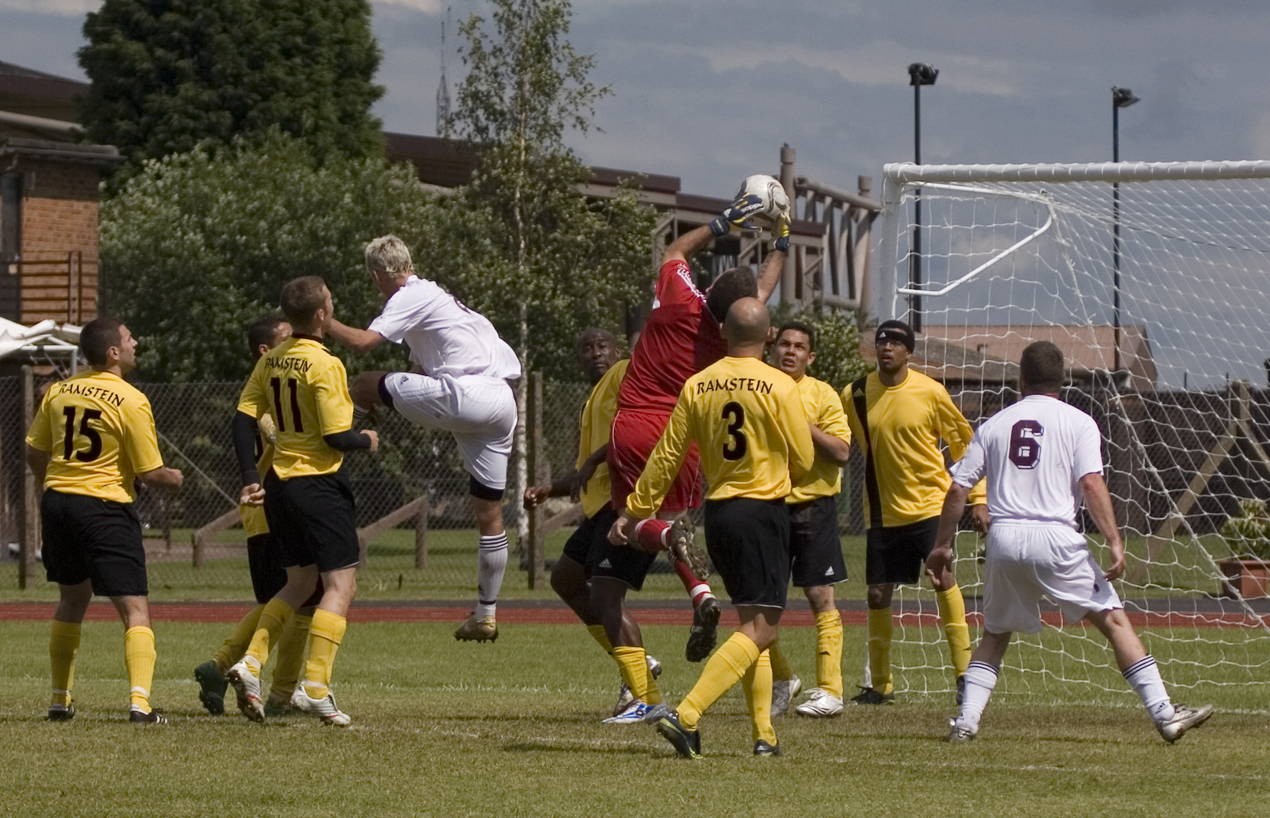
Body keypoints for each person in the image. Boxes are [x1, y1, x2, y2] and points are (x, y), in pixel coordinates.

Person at [928, 341, 1213, 743]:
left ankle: (966, 724)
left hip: (1004, 538)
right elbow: (1091, 483)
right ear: (1061, 380)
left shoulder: (994, 424)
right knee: (1114, 621)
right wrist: (1114, 540)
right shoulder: (1079, 422)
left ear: (1021, 378)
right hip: (1056, 537)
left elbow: (958, 489)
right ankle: (1165, 714)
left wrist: (942, 546)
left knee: (995, 634)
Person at [612, 298, 815, 758]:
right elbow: (803, 459)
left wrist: (634, 510)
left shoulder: (698, 384)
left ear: (723, 332)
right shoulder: (780, 385)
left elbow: (666, 456)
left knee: (751, 627)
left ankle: (765, 736)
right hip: (762, 511)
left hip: (719, 514)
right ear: (768, 336)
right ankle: (687, 716)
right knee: (761, 630)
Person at [607, 188, 790, 682]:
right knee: (672, 518)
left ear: (709, 291)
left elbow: (675, 252)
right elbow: (761, 300)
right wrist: (782, 240)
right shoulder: (732, 335)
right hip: (684, 436)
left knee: (630, 523)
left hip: (636, 421)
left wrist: (724, 221)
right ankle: (701, 595)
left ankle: (669, 537)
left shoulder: (679, 297)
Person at [326, 235, 519, 643]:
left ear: (377, 274)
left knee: (360, 383)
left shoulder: (409, 296)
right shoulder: (443, 301)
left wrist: (322, 322)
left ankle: (341, 451)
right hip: (500, 404)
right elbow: (418, 369)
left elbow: (362, 344)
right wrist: (393, 395)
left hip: (466, 396)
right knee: (489, 515)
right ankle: (486, 614)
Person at [227, 276, 378, 726]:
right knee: (340, 586)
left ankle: (250, 663)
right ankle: (314, 686)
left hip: (279, 486)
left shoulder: (271, 359)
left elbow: (242, 418)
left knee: (295, 584)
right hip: (318, 484)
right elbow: (335, 436)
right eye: (331, 302)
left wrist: (250, 476)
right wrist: (365, 439)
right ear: (321, 315)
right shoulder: (325, 364)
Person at [25, 317, 184, 723]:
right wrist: (175, 478)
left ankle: (60, 701)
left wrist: (53, 485)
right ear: (113, 352)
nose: (135, 343)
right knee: (134, 609)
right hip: (104, 507)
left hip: (59, 503)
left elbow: (34, 450)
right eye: (130, 339)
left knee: (71, 599)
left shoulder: (58, 392)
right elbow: (150, 473)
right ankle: (139, 704)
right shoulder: (131, 399)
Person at [842, 319, 986, 705]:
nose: (886, 347)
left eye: (895, 342)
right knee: (876, 594)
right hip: (881, 514)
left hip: (929, 509)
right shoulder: (854, 394)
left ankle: (964, 675)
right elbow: (848, 442)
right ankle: (880, 685)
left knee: (942, 580)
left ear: (909, 352)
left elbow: (965, 443)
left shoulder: (931, 391)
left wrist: (979, 497)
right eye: (881, 341)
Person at [523, 328, 660, 723]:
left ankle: (645, 696)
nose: (595, 353)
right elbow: (586, 470)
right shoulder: (591, 401)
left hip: (625, 502)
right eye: (586, 348)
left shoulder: (622, 373)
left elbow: (635, 430)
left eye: (602, 346)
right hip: (600, 505)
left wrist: (596, 464)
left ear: (617, 350)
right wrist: (550, 488)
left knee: (606, 598)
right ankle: (636, 663)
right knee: (565, 578)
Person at [194, 315, 323, 717]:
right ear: (266, 351)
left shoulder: (257, 394)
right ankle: (263, 684)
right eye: (287, 339)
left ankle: (223, 670)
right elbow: (281, 432)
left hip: (265, 510)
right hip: (273, 510)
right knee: (300, 598)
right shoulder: (270, 397)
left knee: (290, 599)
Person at [766, 321, 852, 717]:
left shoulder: (822, 394)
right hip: (765, 504)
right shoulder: (758, 387)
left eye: (799, 347)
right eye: (784, 343)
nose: (790, 351)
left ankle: (831, 691)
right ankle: (782, 678)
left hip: (813, 507)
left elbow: (841, 452)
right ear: (772, 348)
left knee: (821, 596)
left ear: (810, 357)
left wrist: (804, 425)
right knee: (761, 600)